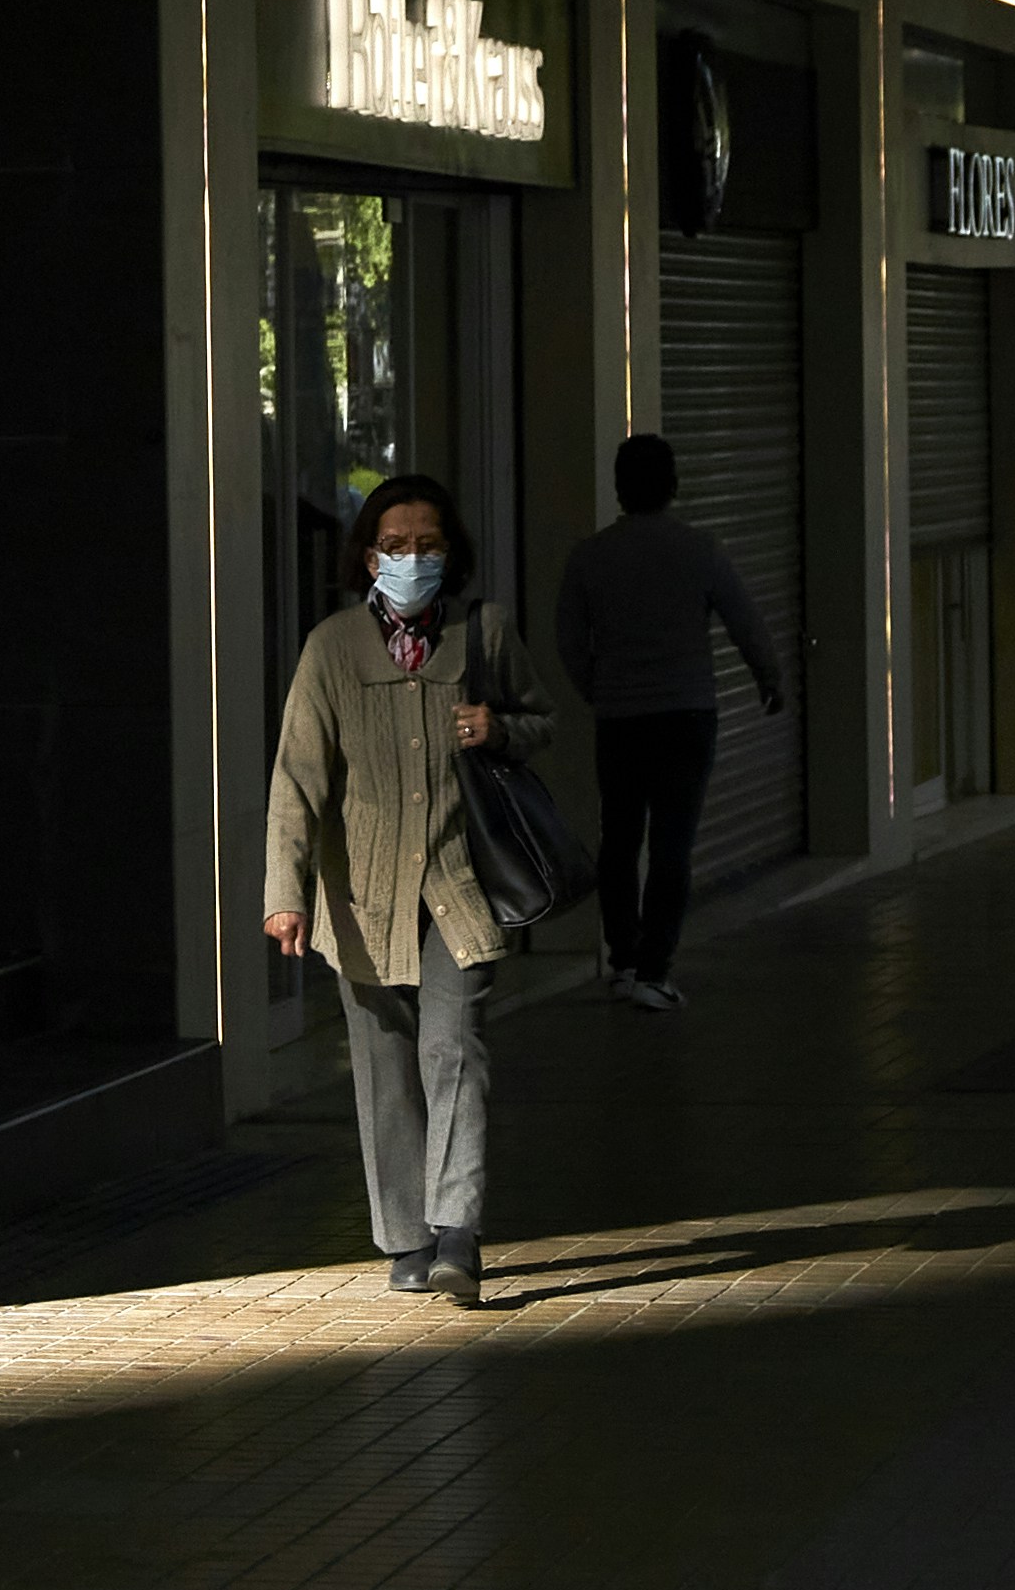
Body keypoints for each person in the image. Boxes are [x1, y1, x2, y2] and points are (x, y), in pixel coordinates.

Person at [263, 476, 555, 1306]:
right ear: (368, 555)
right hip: (361, 894)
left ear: (450, 553)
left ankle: (458, 1232)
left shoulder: (483, 635)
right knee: (384, 1062)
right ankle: (407, 1237)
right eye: (395, 544)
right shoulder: (332, 649)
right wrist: (284, 891)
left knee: (452, 1046)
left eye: (427, 544)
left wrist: (501, 728)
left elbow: (545, 720)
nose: (412, 558)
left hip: (459, 882)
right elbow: (297, 777)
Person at [554, 431, 784, 1015]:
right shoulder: (700, 550)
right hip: (686, 715)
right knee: (672, 845)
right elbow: (746, 623)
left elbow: (569, 641)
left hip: (621, 718)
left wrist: (599, 690)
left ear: (618, 488)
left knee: (620, 838)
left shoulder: (590, 556)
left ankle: (624, 959)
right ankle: (655, 969)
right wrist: (769, 678)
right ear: (673, 485)